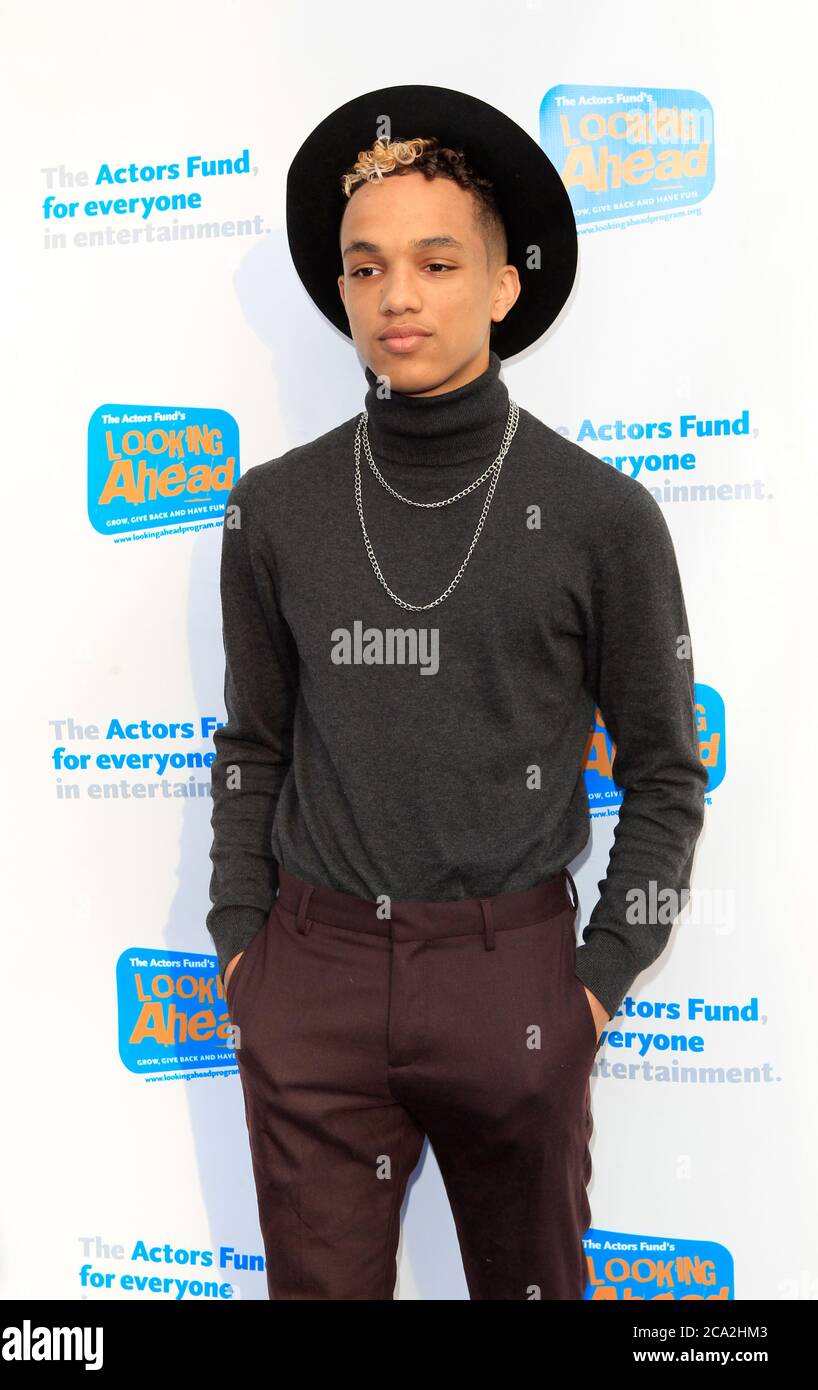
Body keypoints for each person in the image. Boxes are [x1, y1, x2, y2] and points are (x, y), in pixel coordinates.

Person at [206, 84, 708, 1300]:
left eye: (436, 261)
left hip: (513, 979)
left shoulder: (600, 517)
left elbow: (664, 771)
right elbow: (252, 746)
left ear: (501, 285)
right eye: (365, 266)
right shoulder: (271, 510)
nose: (397, 295)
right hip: (310, 980)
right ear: (339, 291)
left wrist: (591, 983)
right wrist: (241, 953)